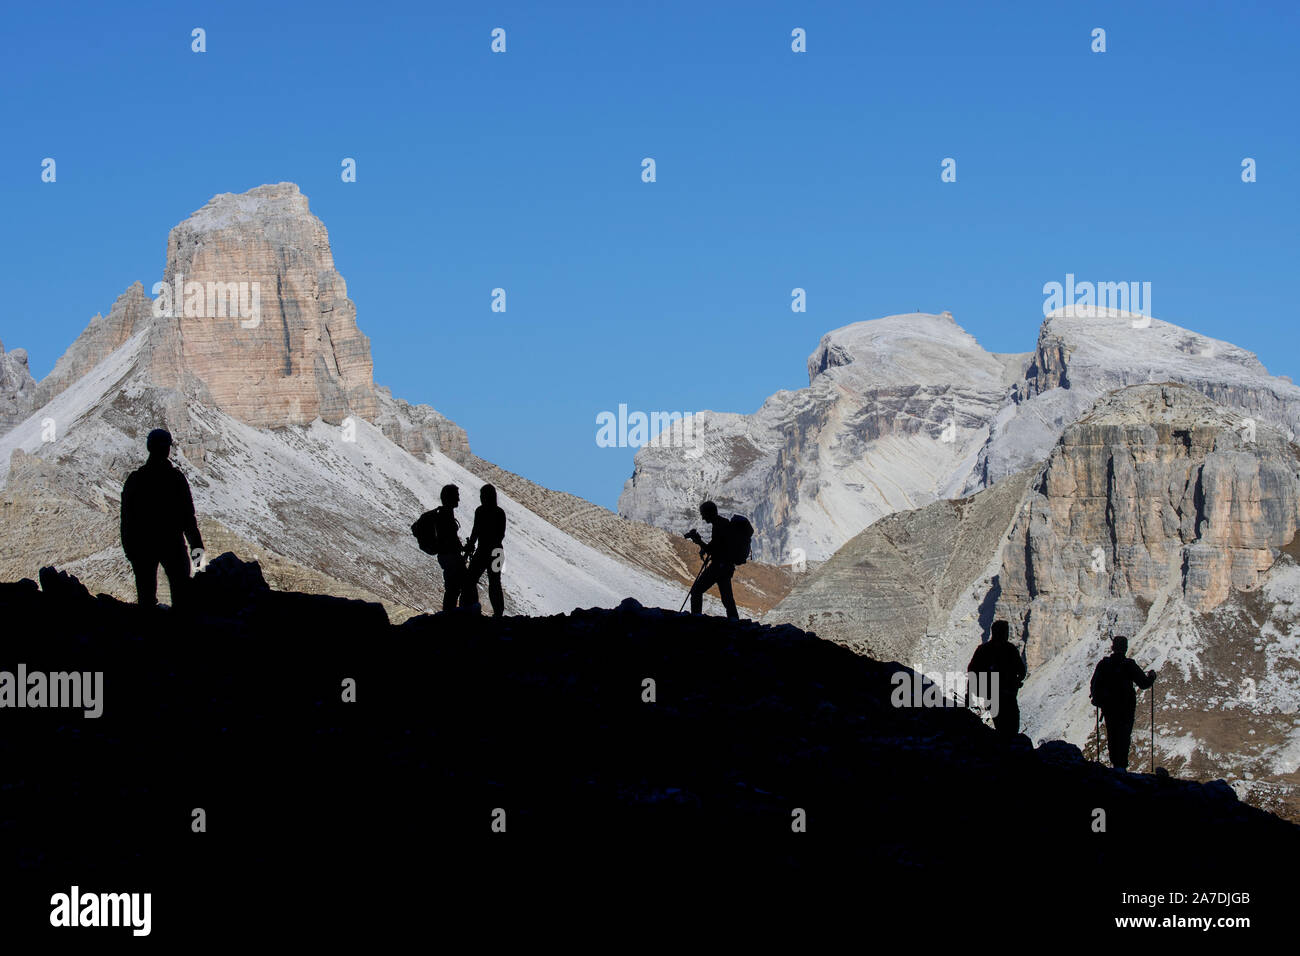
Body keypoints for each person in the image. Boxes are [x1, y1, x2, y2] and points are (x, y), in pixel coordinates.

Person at [120, 428, 204, 608]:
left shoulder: (136, 479)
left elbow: (127, 518)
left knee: (146, 598)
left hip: (143, 546)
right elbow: (188, 517)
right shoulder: (175, 479)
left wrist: (129, 548)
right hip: (172, 544)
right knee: (181, 596)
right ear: (167, 449)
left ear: (149, 447)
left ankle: (149, 633)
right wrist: (196, 547)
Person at [1090, 635, 1157, 771]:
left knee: (1113, 734)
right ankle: (1121, 766)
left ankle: (1115, 765)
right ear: (1125, 648)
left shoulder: (1104, 664)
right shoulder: (1129, 665)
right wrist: (1152, 677)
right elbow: (1143, 683)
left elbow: (1094, 684)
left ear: (1112, 647)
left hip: (1109, 707)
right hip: (1126, 707)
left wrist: (1099, 700)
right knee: (1124, 735)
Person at [966, 620, 1027, 737]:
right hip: (1007, 694)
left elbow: (972, 671)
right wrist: (1017, 682)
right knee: (1011, 725)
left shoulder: (983, 649)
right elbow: (1021, 670)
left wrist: (970, 694)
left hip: (992, 694)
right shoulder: (1010, 649)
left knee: (1001, 725)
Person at [686, 500, 739, 621]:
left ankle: (696, 620)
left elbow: (714, 550)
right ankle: (735, 621)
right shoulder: (722, 523)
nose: (703, 518)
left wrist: (699, 541)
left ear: (710, 513)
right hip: (726, 566)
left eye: (703, 514)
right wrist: (704, 547)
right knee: (727, 598)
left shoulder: (718, 526)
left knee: (696, 591)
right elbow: (718, 545)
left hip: (718, 566)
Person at [462, 484, 507, 617]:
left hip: (483, 551)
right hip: (498, 552)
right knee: (495, 583)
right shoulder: (500, 512)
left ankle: (469, 609)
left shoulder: (480, 511)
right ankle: (498, 613)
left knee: (470, 580)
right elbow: (501, 535)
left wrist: (469, 549)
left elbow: (475, 532)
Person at [432, 484, 469, 612]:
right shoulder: (446, 515)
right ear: (450, 497)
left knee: (453, 587)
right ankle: (451, 616)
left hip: (447, 556)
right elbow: (449, 538)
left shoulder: (445, 513)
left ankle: (450, 615)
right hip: (451, 557)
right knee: (456, 587)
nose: (458, 500)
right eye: (456, 496)